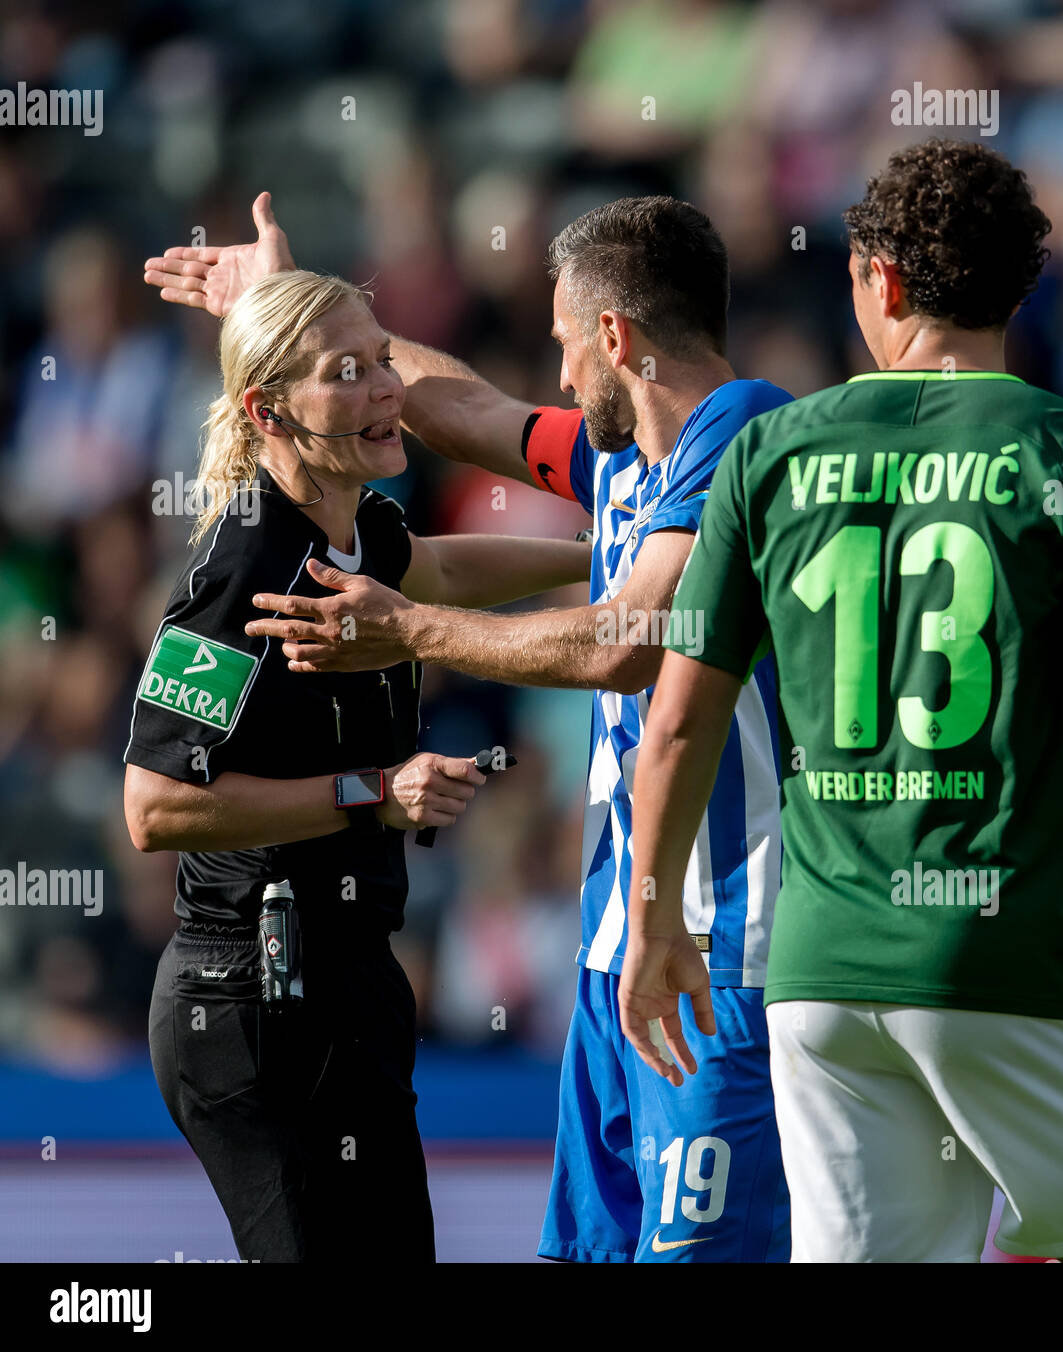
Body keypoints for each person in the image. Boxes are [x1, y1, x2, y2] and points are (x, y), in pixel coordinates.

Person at [622, 138, 1063, 1263]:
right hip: (1006, 955)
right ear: (1021, 290)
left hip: (816, 980)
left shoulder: (766, 454)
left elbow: (675, 716)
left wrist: (651, 920)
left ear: (880, 278)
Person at [144, 193, 794, 1262]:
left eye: (565, 344)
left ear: (616, 338)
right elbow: (465, 410)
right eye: (343, 373)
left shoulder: (740, 428)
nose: (559, 371)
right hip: (601, 948)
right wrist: (286, 306)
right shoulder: (624, 466)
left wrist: (409, 630)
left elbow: (624, 638)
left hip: (721, 942)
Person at [123, 267, 592, 1262]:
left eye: (385, 361)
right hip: (248, 999)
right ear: (271, 411)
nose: (387, 390)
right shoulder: (239, 573)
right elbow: (156, 803)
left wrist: (613, 551)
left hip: (348, 983)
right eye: (349, 371)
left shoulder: (361, 527)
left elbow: (451, 570)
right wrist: (371, 791)